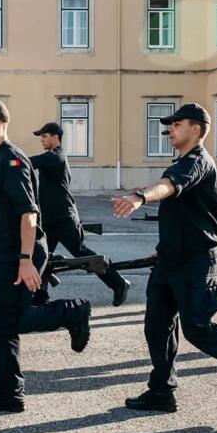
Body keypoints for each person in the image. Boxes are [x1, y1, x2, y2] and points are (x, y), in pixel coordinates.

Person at [112, 103, 217, 413]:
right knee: (157, 326)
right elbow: (181, 212)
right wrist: (163, 247)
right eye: (170, 124)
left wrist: (139, 196)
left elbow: (167, 187)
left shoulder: (197, 161)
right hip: (170, 258)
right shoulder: (182, 161)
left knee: (197, 328)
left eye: (177, 123)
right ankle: (161, 390)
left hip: (196, 260)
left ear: (196, 129)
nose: (170, 128)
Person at [0, 100, 91, 413]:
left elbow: (29, 213)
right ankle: (10, 392)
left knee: (6, 320)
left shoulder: (11, 160)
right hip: (7, 253)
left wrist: (25, 258)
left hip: (19, 254)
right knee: (4, 322)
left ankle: (73, 313)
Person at [30, 122, 130, 306]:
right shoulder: (50, 158)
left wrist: (7, 160)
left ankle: (118, 283)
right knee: (42, 257)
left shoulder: (55, 157)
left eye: (44, 136)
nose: (42, 140)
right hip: (50, 219)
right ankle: (39, 297)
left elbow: (29, 162)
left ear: (55, 137)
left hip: (64, 218)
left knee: (82, 255)